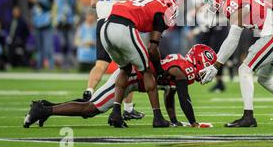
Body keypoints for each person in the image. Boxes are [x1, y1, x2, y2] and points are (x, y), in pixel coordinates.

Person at [23, 44, 217, 129]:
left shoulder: (182, 65)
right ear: (199, 61)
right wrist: (193, 123)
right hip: (131, 77)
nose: (208, 72)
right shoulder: (184, 69)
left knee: (90, 106)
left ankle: (47, 106)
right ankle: (43, 109)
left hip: (136, 78)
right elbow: (185, 99)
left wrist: (173, 120)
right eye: (207, 66)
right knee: (90, 109)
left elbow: (169, 92)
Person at [101, 0, 178, 128]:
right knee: (147, 71)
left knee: (125, 69)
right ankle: (158, 117)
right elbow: (152, 48)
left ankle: (116, 113)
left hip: (106, 27)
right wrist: (160, 71)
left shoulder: (143, 1)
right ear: (168, 3)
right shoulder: (160, 9)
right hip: (123, 27)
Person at [85, 0, 143, 120]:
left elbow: (93, 3)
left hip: (102, 22)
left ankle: (88, 91)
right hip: (119, 21)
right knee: (128, 67)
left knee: (101, 64)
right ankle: (127, 108)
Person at [28, 0, 54, 70]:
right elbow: (32, 10)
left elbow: (47, 6)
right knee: (38, 48)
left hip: (46, 25)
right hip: (37, 25)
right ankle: (39, 67)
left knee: (48, 47)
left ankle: (51, 67)